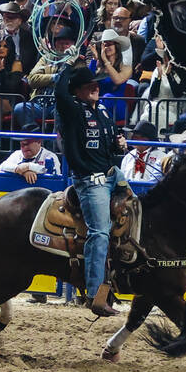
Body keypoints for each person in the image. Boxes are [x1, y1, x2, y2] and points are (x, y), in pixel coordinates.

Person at [54, 62, 129, 317]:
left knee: (135, 214)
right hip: (91, 180)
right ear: (77, 91)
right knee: (99, 233)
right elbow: (59, 93)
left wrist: (120, 144)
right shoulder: (71, 111)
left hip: (112, 174)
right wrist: (67, 66)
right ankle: (95, 293)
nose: (96, 87)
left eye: (96, 84)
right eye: (89, 86)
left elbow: (111, 146)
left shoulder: (104, 111)